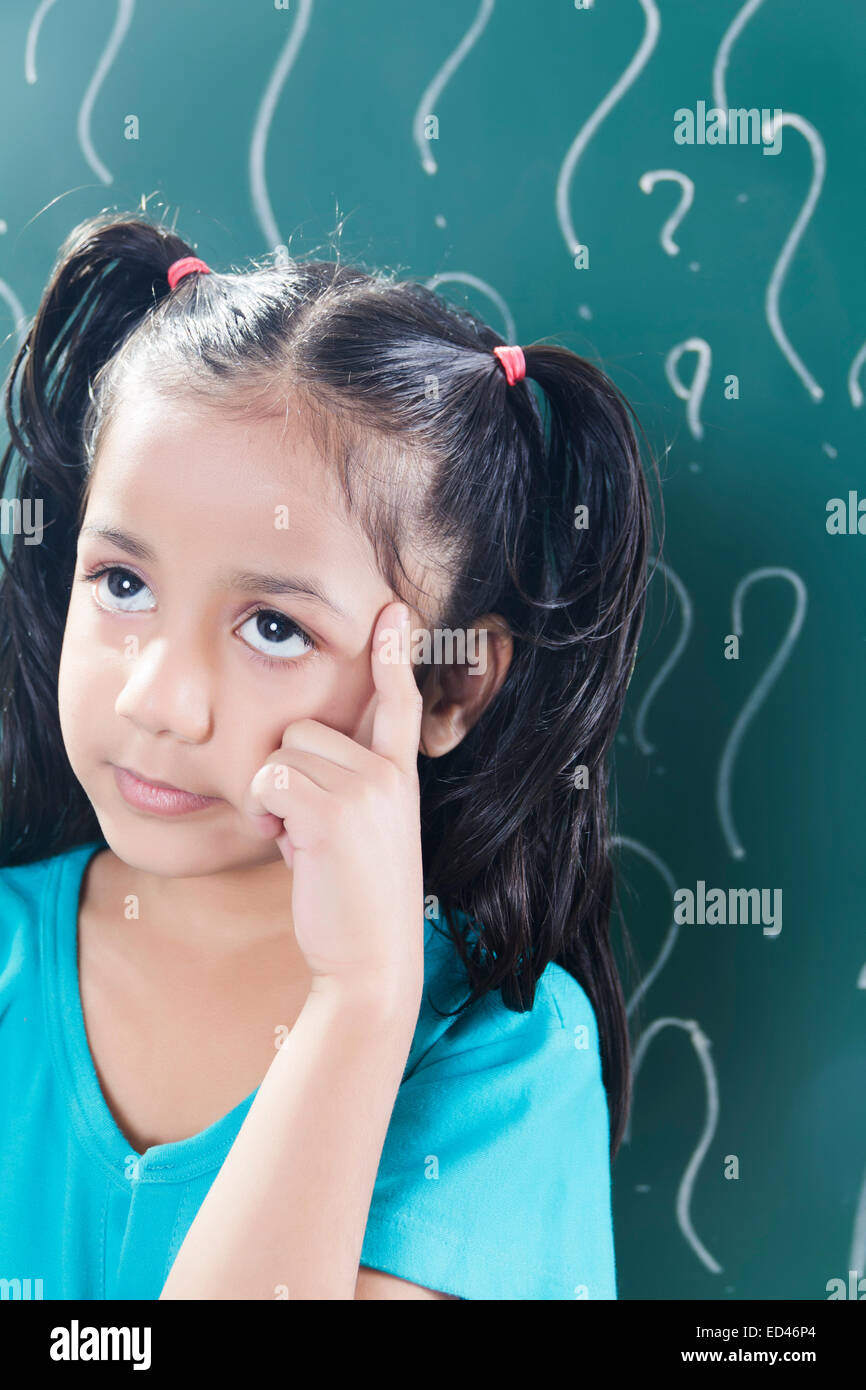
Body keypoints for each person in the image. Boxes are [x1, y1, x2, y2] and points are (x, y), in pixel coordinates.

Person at [0, 211, 660, 1300]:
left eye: (273, 627)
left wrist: (359, 1001)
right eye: (122, 582)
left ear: (442, 685)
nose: (158, 698)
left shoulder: (502, 1063)